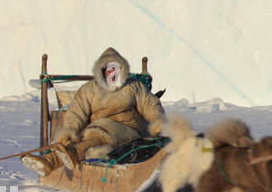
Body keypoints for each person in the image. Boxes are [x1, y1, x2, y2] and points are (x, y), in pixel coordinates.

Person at [23, 46, 166, 177]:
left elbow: (151, 105)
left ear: (121, 69)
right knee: (86, 138)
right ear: (102, 70)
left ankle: (55, 160)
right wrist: (69, 133)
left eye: (115, 68)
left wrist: (158, 124)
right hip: (96, 133)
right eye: (108, 69)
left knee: (97, 133)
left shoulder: (134, 87)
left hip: (128, 132)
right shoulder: (89, 89)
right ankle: (49, 161)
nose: (112, 72)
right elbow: (76, 114)